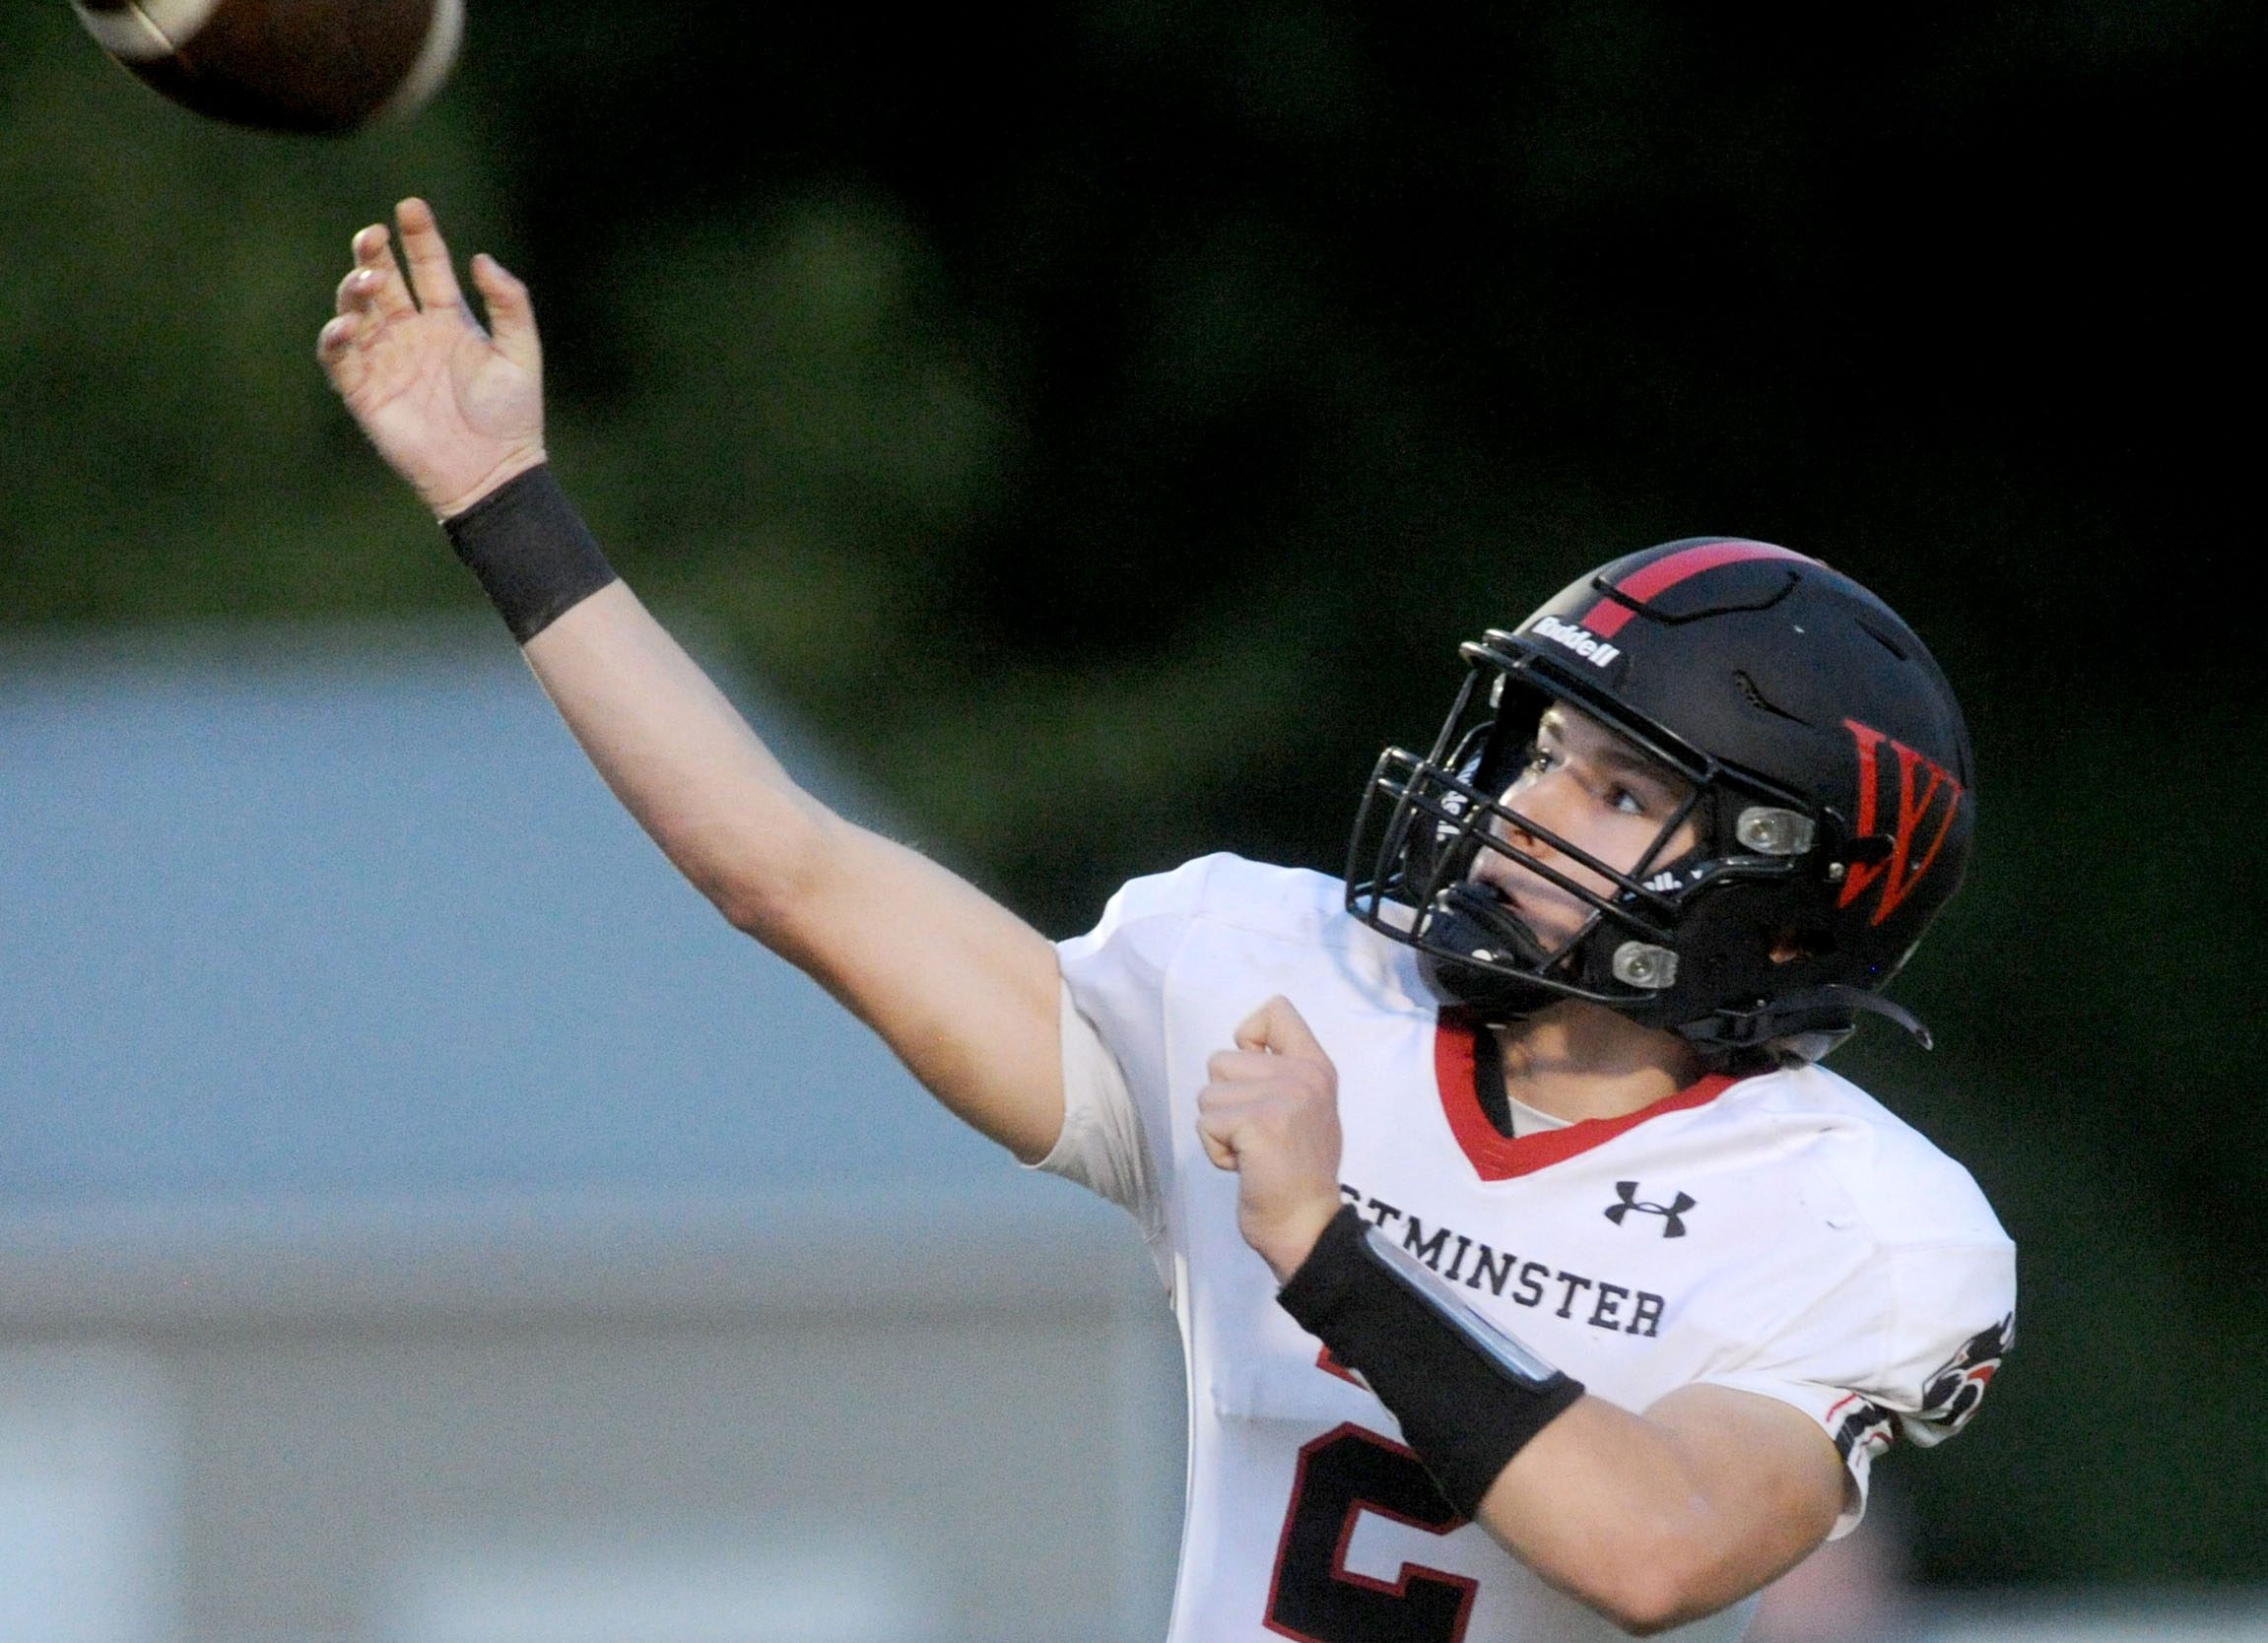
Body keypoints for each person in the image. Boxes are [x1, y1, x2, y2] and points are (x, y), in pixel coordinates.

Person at [319, 200, 2014, 1643]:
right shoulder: (1279, 982)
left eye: (1621, 795)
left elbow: (1654, 1549)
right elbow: (787, 868)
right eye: (1544, 754)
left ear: (1780, 911)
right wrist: (503, 500)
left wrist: (1324, 1248)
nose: (1524, 809)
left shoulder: (1854, 1220)